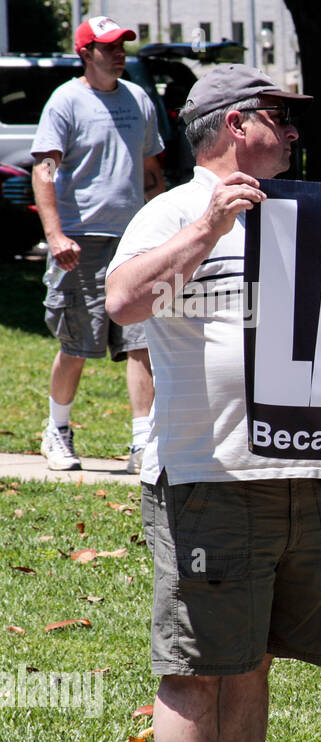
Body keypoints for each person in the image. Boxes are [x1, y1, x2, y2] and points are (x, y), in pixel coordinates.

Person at [105, 64, 321, 742]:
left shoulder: (305, 216)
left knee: (250, 658)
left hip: (295, 473)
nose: (296, 132)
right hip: (206, 475)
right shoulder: (168, 211)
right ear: (238, 124)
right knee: (197, 664)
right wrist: (206, 229)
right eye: (282, 117)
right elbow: (125, 303)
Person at [32, 16, 164, 473]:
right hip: (81, 241)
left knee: (141, 341)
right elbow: (44, 170)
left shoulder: (139, 99)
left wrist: (162, 230)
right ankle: (57, 430)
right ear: (85, 53)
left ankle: (142, 444)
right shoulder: (66, 101)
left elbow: (150, 171)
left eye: (122, 45)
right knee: (77, 342)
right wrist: (55, 235)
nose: (119, 53)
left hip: (135, 240)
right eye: (108, 47)